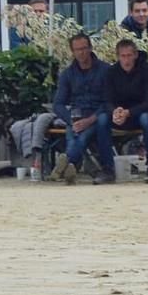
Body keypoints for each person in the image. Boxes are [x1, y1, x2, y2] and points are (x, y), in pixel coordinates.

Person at [51, 32, 113, 184]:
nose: (81, 52)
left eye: (84, 48)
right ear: (72, 51)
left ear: (90, 48)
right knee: (76, 135)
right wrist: (71, 121)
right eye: (77, 49)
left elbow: (109, 101)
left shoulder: (106, 70)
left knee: (83, 135)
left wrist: (89, 120)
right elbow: (58, 104)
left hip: (98, 115)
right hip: (76, 116)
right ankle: (70, 167)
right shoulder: (67, 74)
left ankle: (66, 162)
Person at [107, 37, 148, 183]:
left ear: (135, 55)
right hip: (121, 115)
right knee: (101, 120)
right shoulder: (111, 72)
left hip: (143, 113)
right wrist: (114, 111)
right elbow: (107, 99)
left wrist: (129, 112)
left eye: (129, 55)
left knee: (146, 119)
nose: (126, 60)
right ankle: (106, 167)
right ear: (118, 56)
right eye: (123, 56)